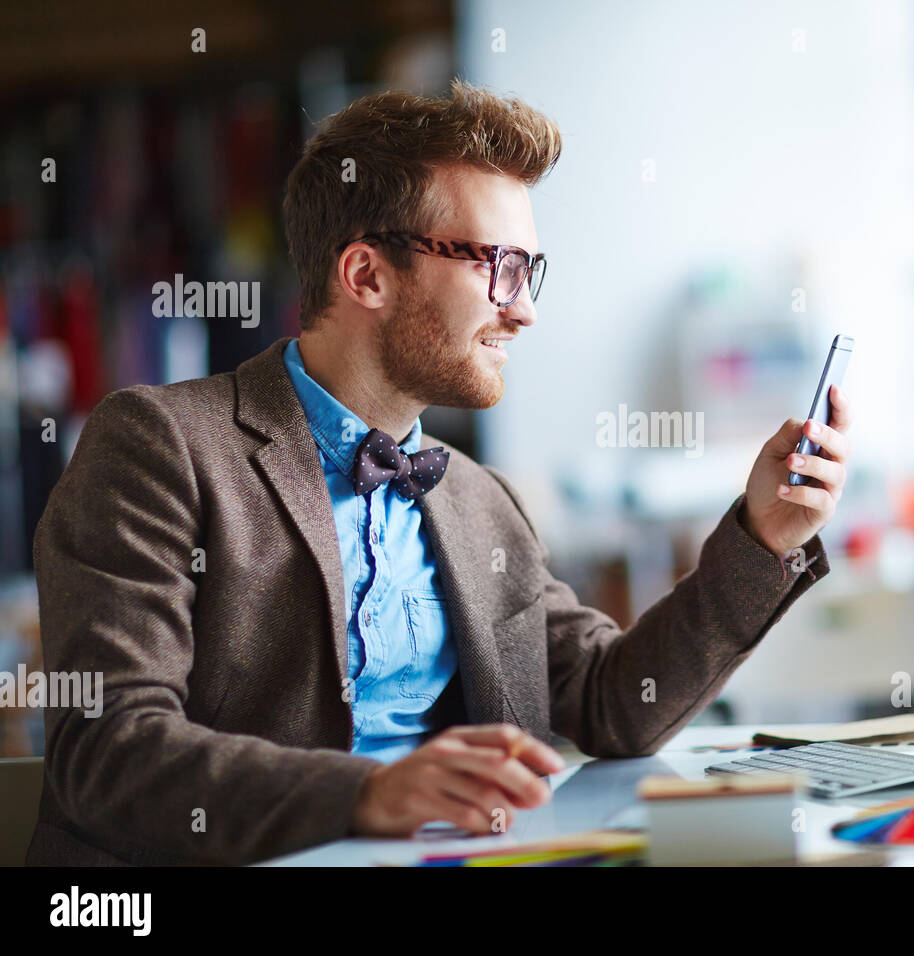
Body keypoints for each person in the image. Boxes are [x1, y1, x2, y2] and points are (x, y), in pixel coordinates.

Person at [28, 81, 852, 865]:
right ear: (367, 276)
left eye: (530, 272)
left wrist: (760, 537)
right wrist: (373, 793)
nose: (523, 307)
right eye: (497, 265)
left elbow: (612, 703)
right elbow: (107, 746)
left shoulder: (480, 501)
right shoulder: (159, 445)